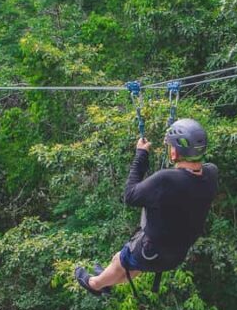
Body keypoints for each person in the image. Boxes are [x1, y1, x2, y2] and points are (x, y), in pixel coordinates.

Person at [74, 118, 218, 296]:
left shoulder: (166, 180)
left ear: (174, 153)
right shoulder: (211, 174)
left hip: (149, 251)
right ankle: (107, 282)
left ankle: (94, 284)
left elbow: (129, 195)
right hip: (175, 255)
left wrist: (141, 155)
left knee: (120, 260)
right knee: (130, 265)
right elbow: (192, 176)